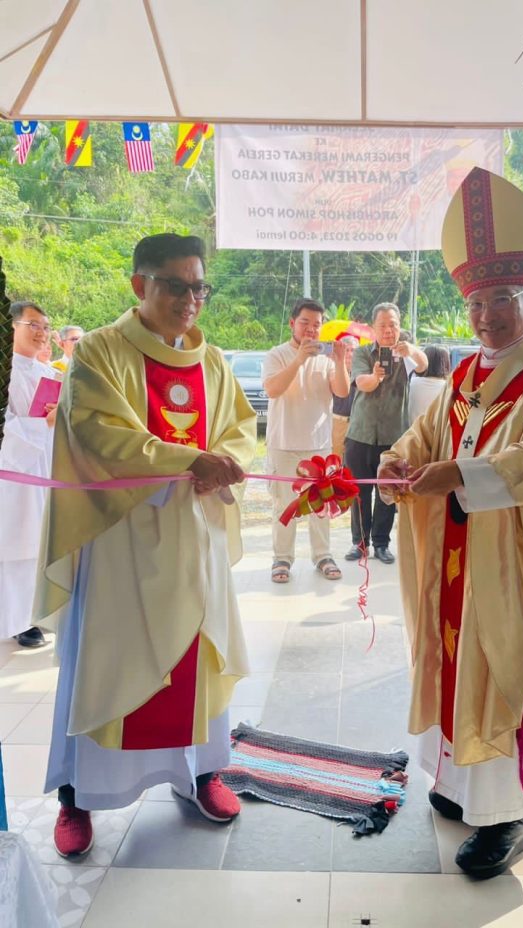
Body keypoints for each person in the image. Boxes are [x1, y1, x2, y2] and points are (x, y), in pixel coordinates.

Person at [378, 167, 523, 878]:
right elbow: (429, 439)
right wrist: (397, 462)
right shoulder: (467, 374)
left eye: (501, 300)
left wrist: (462, 477)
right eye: (477, 302)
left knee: (505, 671)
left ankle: (509, 816)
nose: (486, 316)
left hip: (516, 562)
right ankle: (460, 787)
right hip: (456, 555)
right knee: (457, 667)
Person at [33, 233, 257, 857]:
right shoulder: (100, 353)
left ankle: (202, 774)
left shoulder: (211, 361)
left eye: (199, 287)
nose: (191, 300)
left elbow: (240, 427)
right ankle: (78, 796)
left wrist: (228, 460)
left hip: (196, 537)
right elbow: (98, 434)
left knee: (198, 661)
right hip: (122, 544)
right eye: (177, 286)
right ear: (140, 285)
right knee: (107, 666)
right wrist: (194, 460)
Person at [263, 298, 349, 583]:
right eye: (305, 323)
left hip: (319, 446)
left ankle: (323, 555)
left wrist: (339, 361)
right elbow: (273, 390)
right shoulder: (277, 354)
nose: (311, 330)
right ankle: (282, 559)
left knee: (322, 505)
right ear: (292, 324)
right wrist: (299, 359)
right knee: (284, 505)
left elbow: (342, 391)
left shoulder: (326, 358)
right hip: (284, 445)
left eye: (317, 325)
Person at [344, 304, 427, 564]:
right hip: (360, 435)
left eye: (393, 324)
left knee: (387, 493)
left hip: (393, 438)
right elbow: (361, 383)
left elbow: (424, 366)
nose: (389, 330)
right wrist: (376, 377)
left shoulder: (406, 354)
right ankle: (359, 544)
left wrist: (411, 349)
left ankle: (381, 544)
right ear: (373, 329)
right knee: (359, 492)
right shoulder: (361, 353)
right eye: (383, 325)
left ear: (399, 326)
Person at [0, 301, 59, 648]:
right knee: (17, 545)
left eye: (46, 326)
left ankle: (38, 612)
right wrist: (40, 424)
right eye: (33, 325)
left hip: (45, 467)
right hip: (15, 475)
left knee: (41, 541)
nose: (41, 332)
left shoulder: (46, 372)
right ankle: (18, 620)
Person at [408, 344, 451, 424]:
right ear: (446, 364)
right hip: (439, 435)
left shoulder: (411, 384)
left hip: (413, 434)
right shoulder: (449, 388)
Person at [332, 334, 359, 459]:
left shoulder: (363, 372)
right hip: (337, 423)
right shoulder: (333, 370)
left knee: (353, 464)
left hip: (357, 424)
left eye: (353, 350)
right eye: (346, 350)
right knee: (335, 462)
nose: (349, 354)